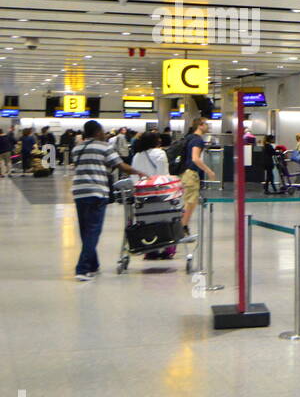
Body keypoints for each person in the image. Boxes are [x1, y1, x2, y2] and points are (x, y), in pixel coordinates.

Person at [71, 120, 145, 280]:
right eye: (102, 131)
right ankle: (82, 269)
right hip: (97, 192)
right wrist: (139, 172)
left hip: (79, 193)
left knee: (86, 230)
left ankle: (93, 265)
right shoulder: (104, 147)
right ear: (97, 132)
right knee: (93, 230)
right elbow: (121, 166)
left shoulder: (77, 148)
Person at [130, 132, 177, 260]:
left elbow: (133, 177)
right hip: (158, 194)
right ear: (156, 142)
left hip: (141, 195)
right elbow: (163, 176)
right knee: (164, 219)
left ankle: (150, 249)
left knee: (147, 220)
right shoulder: (160, 154)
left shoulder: (137, 156)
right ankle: (168, 247)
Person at [180, 119, 216, 237]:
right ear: (200, 126)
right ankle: (182, 228)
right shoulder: (198, 140)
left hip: (185, 172)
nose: (208, 127)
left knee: (190, 201)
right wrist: (208, 170)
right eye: (206, 124)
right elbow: (195, 158)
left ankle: (183, 226)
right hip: (191, 173)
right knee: (191, 201)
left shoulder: (190, 137)